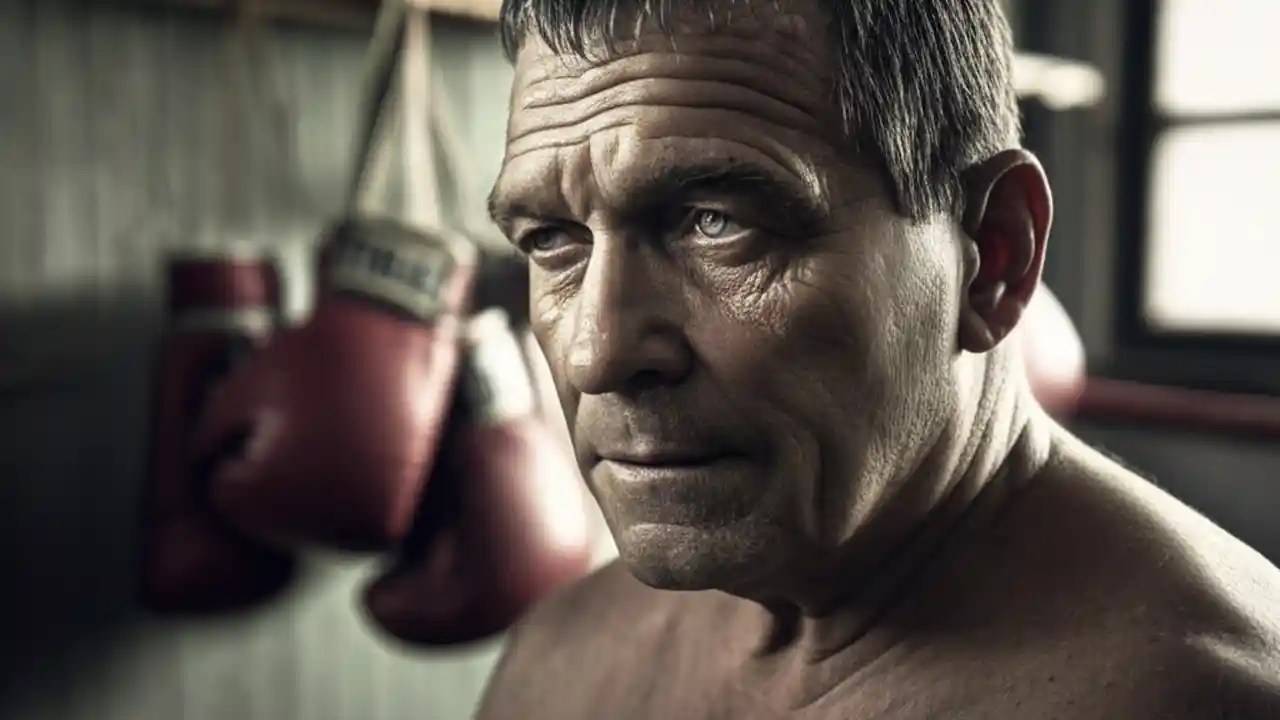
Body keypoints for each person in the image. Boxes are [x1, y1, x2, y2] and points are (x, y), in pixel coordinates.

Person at [478, 1, 1280, 717]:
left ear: (992, 256)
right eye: (553, 241)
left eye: (715, 222)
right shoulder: (563, 653)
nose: (597, 353)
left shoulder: (1208, 692)